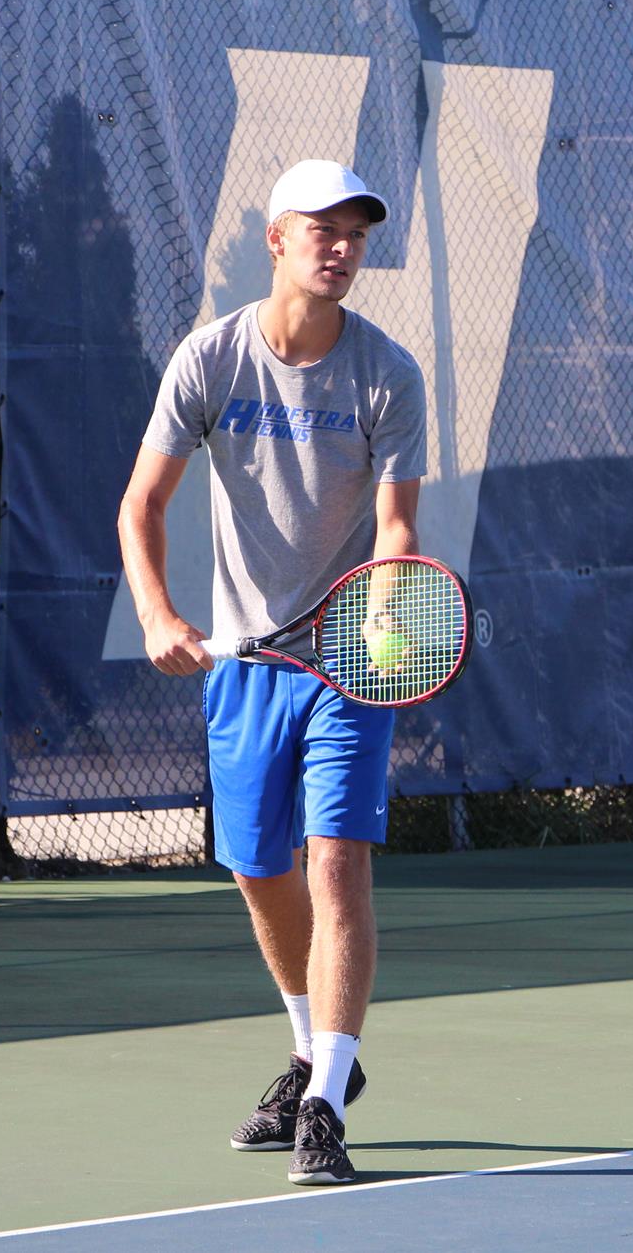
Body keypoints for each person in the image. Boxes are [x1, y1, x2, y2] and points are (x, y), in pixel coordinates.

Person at [117, 159, 427, 1186]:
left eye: (355, 233)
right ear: (277, 241)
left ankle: (328, 1101)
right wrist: (161, 612)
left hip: (347, 662)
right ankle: (311, 1051)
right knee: (259, 870)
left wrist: (379, 611)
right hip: (243, 665)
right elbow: (142, 508)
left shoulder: (388, 372)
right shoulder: (210, 359)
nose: (340, 247)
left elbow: (394, 527)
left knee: (337, 863)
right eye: (321, 230)